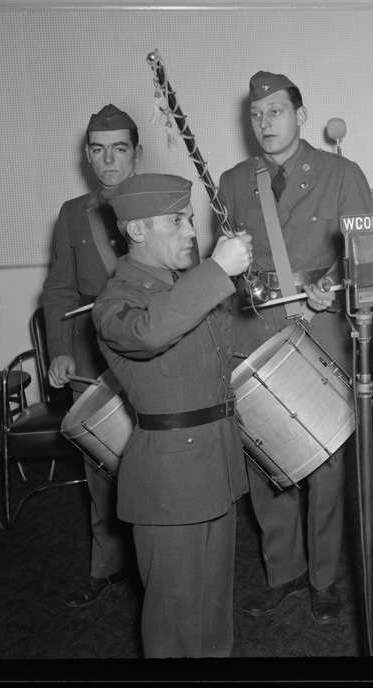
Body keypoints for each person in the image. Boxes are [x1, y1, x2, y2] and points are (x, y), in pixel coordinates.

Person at [218, 71, 373, 623]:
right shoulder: (234, 181)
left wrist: (332, 284)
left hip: (319, 332)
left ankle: (324, 579)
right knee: (266, 461)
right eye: (257, 115)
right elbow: (221, 263)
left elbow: (364, 247)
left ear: (301, 115)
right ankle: (281, 571)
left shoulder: (341, 173)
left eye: (276, 112)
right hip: (256, 334)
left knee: (326, 464)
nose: (265, 123)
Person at [92, 173, 253, 657]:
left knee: (212, 616)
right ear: (137, 231)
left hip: (217, 465)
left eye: (189, 218)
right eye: (176, 220)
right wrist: (216, 272)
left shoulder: (188, 288)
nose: (191, 231)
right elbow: (148, 332)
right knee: (174, 623)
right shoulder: (117, 301)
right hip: (171, 481)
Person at [42, 104, 142, 608]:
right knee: (100, 469)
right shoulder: (71, 214)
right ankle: (106, 565)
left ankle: (153, 566)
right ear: (87, 156)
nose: (109, 161)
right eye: (99, 150)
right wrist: (59, 353)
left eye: (119, 149)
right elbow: (59, 291)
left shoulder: (157, 201)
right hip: (91, 360)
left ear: (136, 154)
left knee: (151, 464)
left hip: (147, 355)